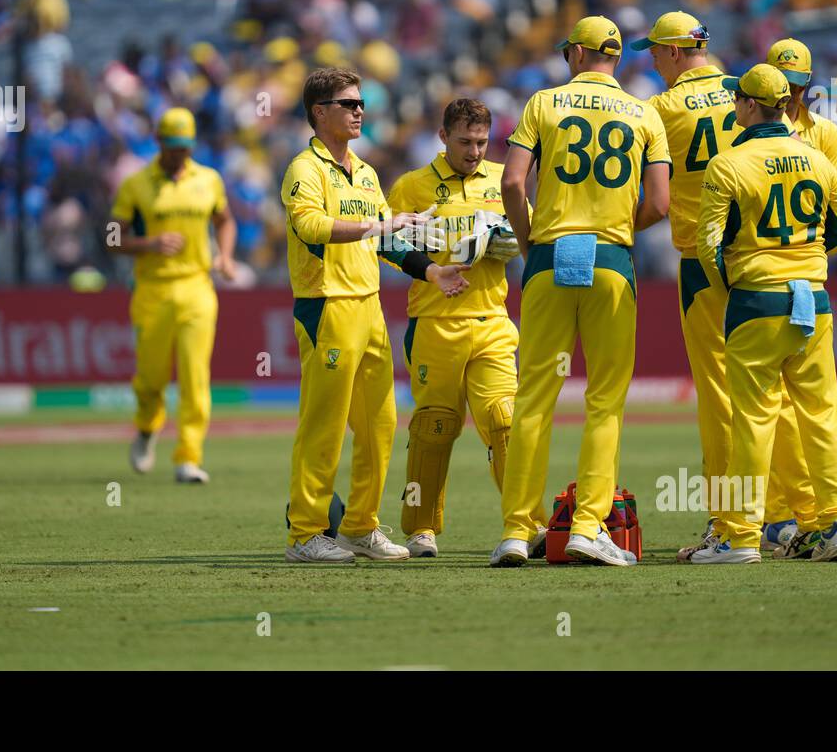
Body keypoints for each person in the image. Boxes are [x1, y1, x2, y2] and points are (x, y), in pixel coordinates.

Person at [493, 16, 670, 567]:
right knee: (605, 403)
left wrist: (530, 245)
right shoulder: (645, 113)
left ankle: (517, 533)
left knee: (533, 401)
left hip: (548, 256)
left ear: (575, 54)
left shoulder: (543, 103)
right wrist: (614, 229)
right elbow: (662, 205)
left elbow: (511, 183)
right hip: (611, 261)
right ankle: (588, 527)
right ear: (614, 58)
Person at [637, 12, 810, 559]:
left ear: (669, 52)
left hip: (704, 263)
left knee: (719, 396)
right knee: (773, 394)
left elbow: (655, 200)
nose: (651, 61)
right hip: (772, 259)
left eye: (654, 52)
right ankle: (791, 515)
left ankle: (729, 522)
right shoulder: (750, 90)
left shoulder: (660, 110)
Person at [281, 67, 469, 563]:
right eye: (349, 103)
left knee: (380, 425)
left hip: (368, 307)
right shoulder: (305, 168)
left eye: (361, 103)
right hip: (326, 305)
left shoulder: (364, 172)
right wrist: (377, 223)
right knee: (323, 424)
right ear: (320, 112)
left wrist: (431, 272)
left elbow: (387, 237)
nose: (360, 110)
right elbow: (311, 226)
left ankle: (360, 526)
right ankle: (305, 533)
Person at [691, 64, 837, 564]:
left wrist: (735, 283)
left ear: (747, 106)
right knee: (823, 414)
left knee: (753, 419)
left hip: (755, 301)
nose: (733, 105)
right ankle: (831, 526)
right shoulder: (818, 158)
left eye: (736, 99)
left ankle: (741, 536)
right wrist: (805, 263)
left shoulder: (728, 163)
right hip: (813, 299)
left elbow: (707, 245)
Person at [386, 98, 535, 558]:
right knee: (434, 427)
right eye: (465, 141)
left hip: (492, 320)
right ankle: (420, 528)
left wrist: (507, 241)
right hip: (434, 323)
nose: (474, 151)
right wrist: (431, 265)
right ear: (443, 137)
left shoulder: (503, 179)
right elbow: (388, 244)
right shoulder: (413, 185)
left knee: (505, 421)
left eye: (482, 142)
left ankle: (521, 527)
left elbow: (530, 232)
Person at [109, 107, 236, 483]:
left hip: (198, 287)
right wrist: (150, 243)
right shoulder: (136, 184)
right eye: (173, 145)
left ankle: (188, 456)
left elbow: (225, 219)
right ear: (159, 142)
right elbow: (112, 237)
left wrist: (226, 256)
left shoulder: (209, 179)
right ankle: (147, 427)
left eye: (185, 146)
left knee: (196, 377)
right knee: (150, 378)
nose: (179, 153)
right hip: (152, 290)